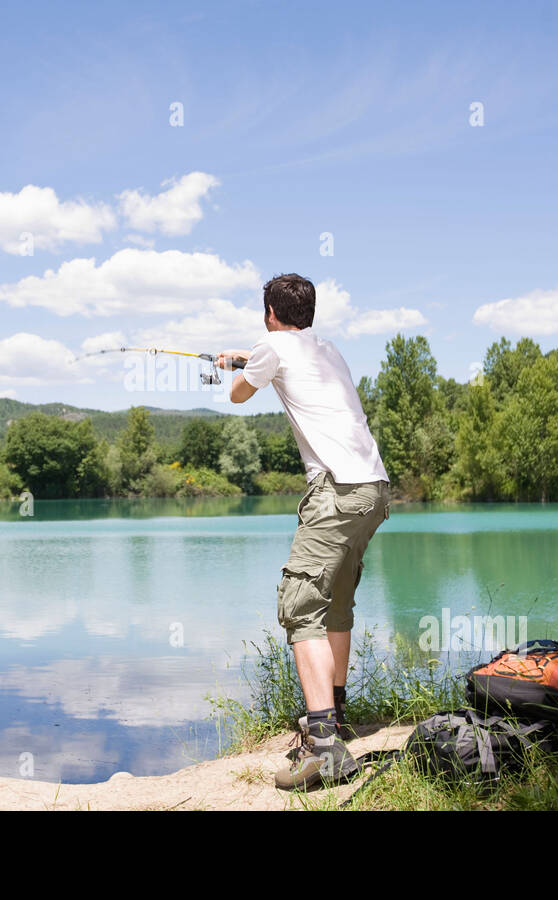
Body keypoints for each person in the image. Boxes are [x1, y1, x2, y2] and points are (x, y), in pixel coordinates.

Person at [217, 273, 390, 791]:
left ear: (270, 312)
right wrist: (247, 355)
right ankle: (335, 715)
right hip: (374, 489)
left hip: (336, 492)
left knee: (299, 605)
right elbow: (278, 359)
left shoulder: (270, 346)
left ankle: (324, 747)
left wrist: (238, 364)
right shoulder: (328, 349)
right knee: (334, 603)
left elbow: (238, 396)